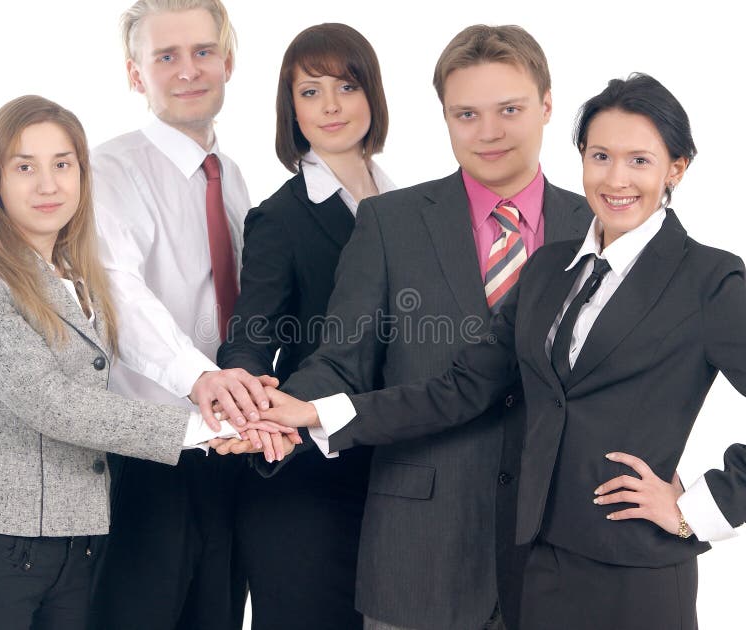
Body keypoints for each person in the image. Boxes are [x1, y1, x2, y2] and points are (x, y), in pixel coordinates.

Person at [262, 73, 743, 630]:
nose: (616, 179)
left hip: (634, 575)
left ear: (675, 169)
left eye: (639, 161)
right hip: (534, 572)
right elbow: (460, 389)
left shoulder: (710, 280)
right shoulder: (549, 270)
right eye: (601, 155)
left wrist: (696, 509)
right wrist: (314, 412)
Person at [216, 24, 591, 630]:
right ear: (444, 117)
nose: (489, 131)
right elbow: (342, 361)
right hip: (421, 553)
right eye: (466, 113)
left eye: (510, 110)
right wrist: (272, 415)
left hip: (566, 547)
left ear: (547, 106)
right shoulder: (389, 223)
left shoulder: (597, 226)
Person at [0, 94, 273, 629]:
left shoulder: (78, 280)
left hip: (81, 544)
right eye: (24, 166)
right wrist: (203, 427)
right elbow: (56, 406)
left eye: (62, 164)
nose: (48, 184)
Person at [87, 1, 298, 628]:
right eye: (166, 57)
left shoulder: (230, 176)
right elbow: (116, 291)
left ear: (228, 62)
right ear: (135, 75)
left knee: (217, 614)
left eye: (203, 52)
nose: (189, 70)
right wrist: (202, 380)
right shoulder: (109, 170)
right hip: (152, 450)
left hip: (226, 446)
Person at [216, 23, 393, 630]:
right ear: (290, 110)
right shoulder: (281, 219)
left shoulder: (412, 206)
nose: (331, 107)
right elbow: (249, 338)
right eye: (310, 92)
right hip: (306, 483)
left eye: (346, 86)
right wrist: (237, 395)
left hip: (395, 475)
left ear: (372, 93)